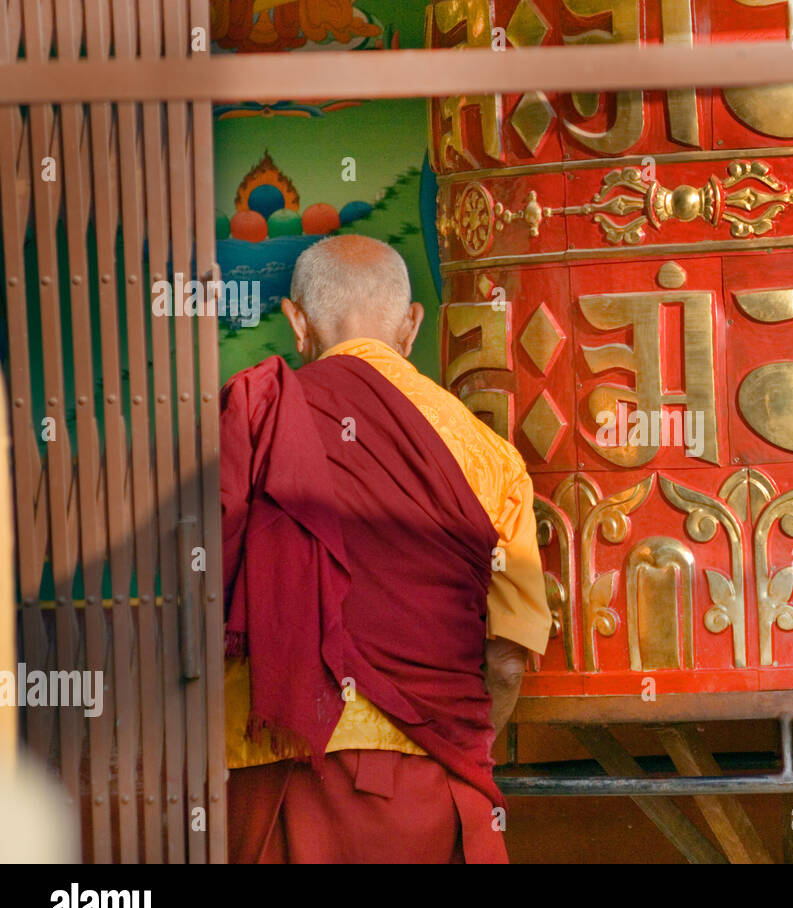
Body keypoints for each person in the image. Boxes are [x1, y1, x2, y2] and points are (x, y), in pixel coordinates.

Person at [220, 234, 550, 863]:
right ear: (412, 324)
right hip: (428, 790)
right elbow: (507, 659)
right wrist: (450, 741)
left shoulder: (253, 423)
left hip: (277, 781)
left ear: (296, 321)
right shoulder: (491, 457)